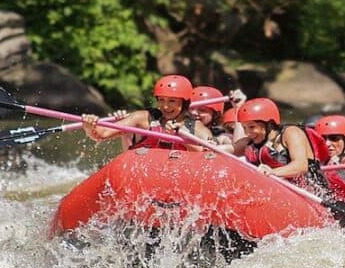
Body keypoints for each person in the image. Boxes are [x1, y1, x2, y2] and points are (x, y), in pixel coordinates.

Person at [81, 75, 212, 150]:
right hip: (140, 175)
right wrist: (89, 127)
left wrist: (182, 136)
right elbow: (102, 134)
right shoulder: (143, 118)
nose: (165, 106)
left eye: (172, 101)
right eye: (161, 100)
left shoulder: (196, 128)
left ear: (185, 103)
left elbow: (209, 154)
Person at [232, 98, 329, 193]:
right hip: (282, 194)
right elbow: (227, 150)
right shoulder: (251, 141)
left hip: (313, 195)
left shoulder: (291, 133)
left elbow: (301, 166)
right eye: (244, 128)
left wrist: (272, 172)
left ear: (269, 124)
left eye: (252, 127)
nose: (247, 133)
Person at [192, 86, 247, 153]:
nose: (193, 112)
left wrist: (238, 108)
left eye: (202, 110)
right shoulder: (178, 126)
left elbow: (238, 148)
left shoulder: (221, 137)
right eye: (191, 108)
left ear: (215, 115)